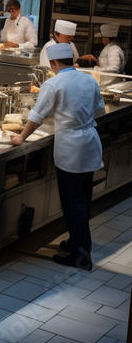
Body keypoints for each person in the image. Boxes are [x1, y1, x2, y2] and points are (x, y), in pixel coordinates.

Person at [11, 42, 104, 270]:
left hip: (71, 147)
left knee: (73, 202)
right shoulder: (89, 79)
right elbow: (99, 110)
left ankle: (82, 255)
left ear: (53, 63)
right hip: (90, 142)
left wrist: (21, 138)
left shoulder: (54, 83)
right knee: (83, 197)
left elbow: (37, 115)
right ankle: (76, 242)